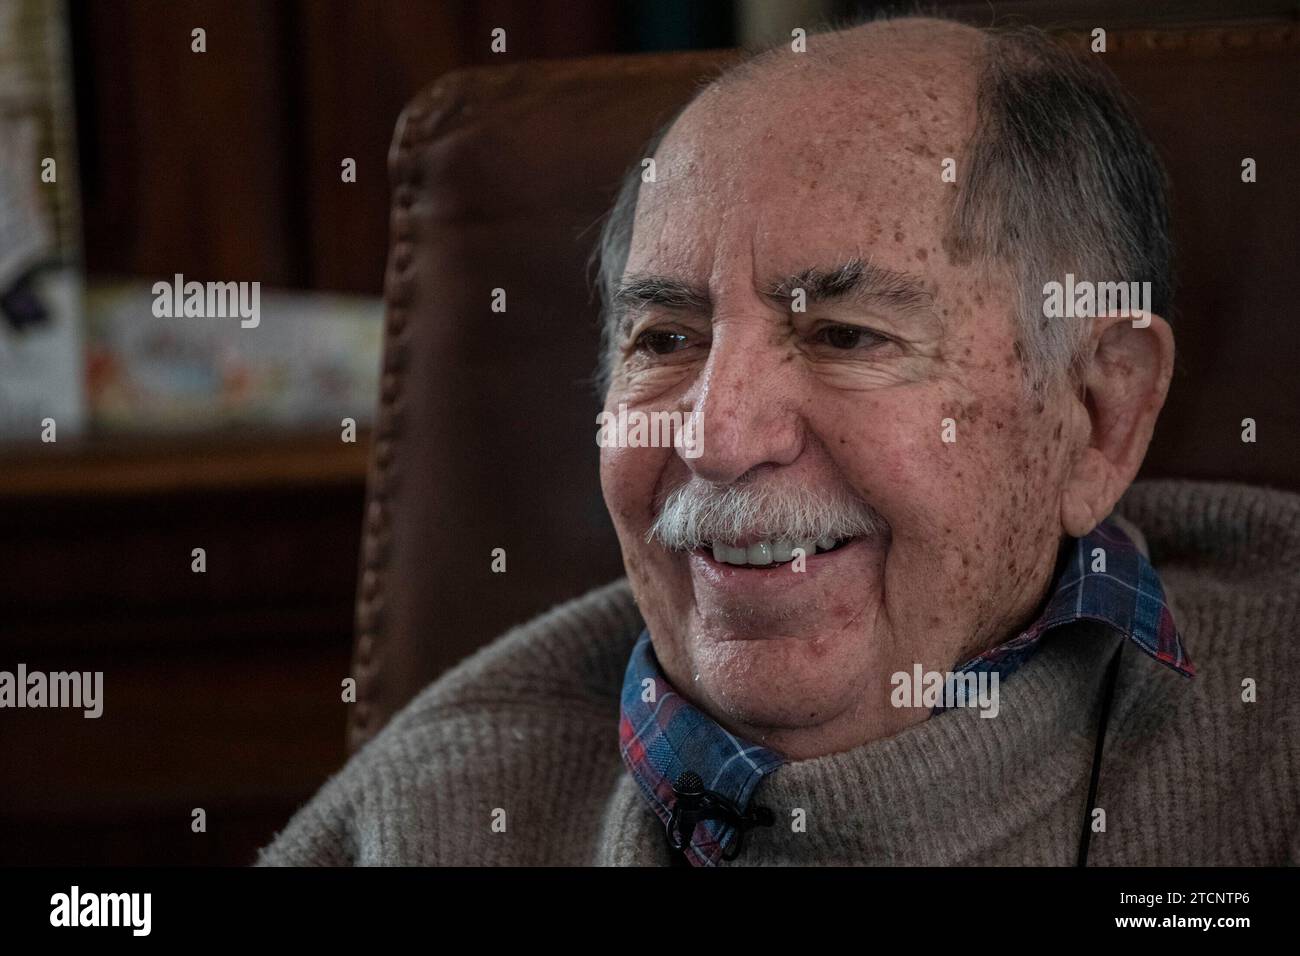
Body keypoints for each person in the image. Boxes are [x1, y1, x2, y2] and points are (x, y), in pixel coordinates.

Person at [257, 15, 1299, 866]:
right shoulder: (423, 821)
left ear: (1096, 418)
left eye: (844, 334)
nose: (715, 436)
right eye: (663, 338)